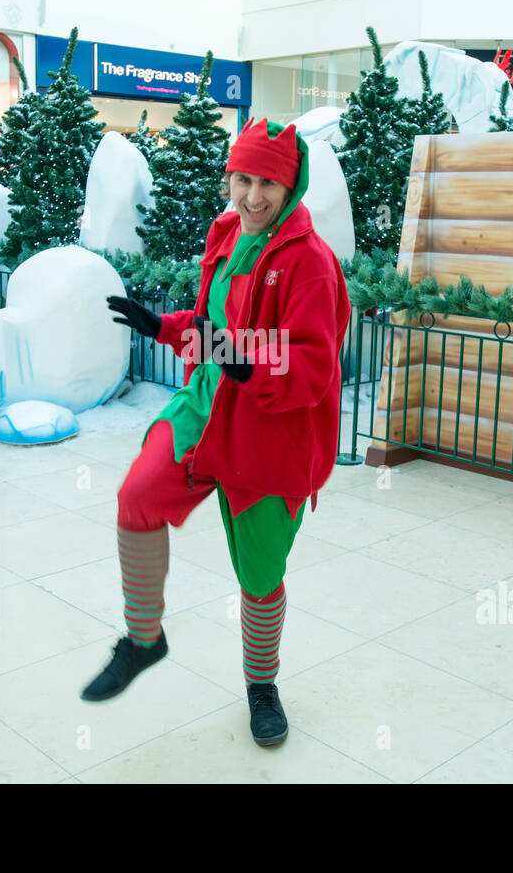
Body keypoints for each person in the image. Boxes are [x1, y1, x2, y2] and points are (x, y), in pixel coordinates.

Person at [86, 117, 352, 747]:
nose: (252, 195)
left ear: (291, 188)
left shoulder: (310, 263)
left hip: (271, 432)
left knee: (259, 577)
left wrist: (244, 358)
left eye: (268, 183)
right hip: (206, 406)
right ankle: (143, 638)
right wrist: (162, 327)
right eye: (243, 178)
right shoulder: (228, 231)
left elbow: (314, 364)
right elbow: (213, 325)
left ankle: (262, 685)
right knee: (138, 499)